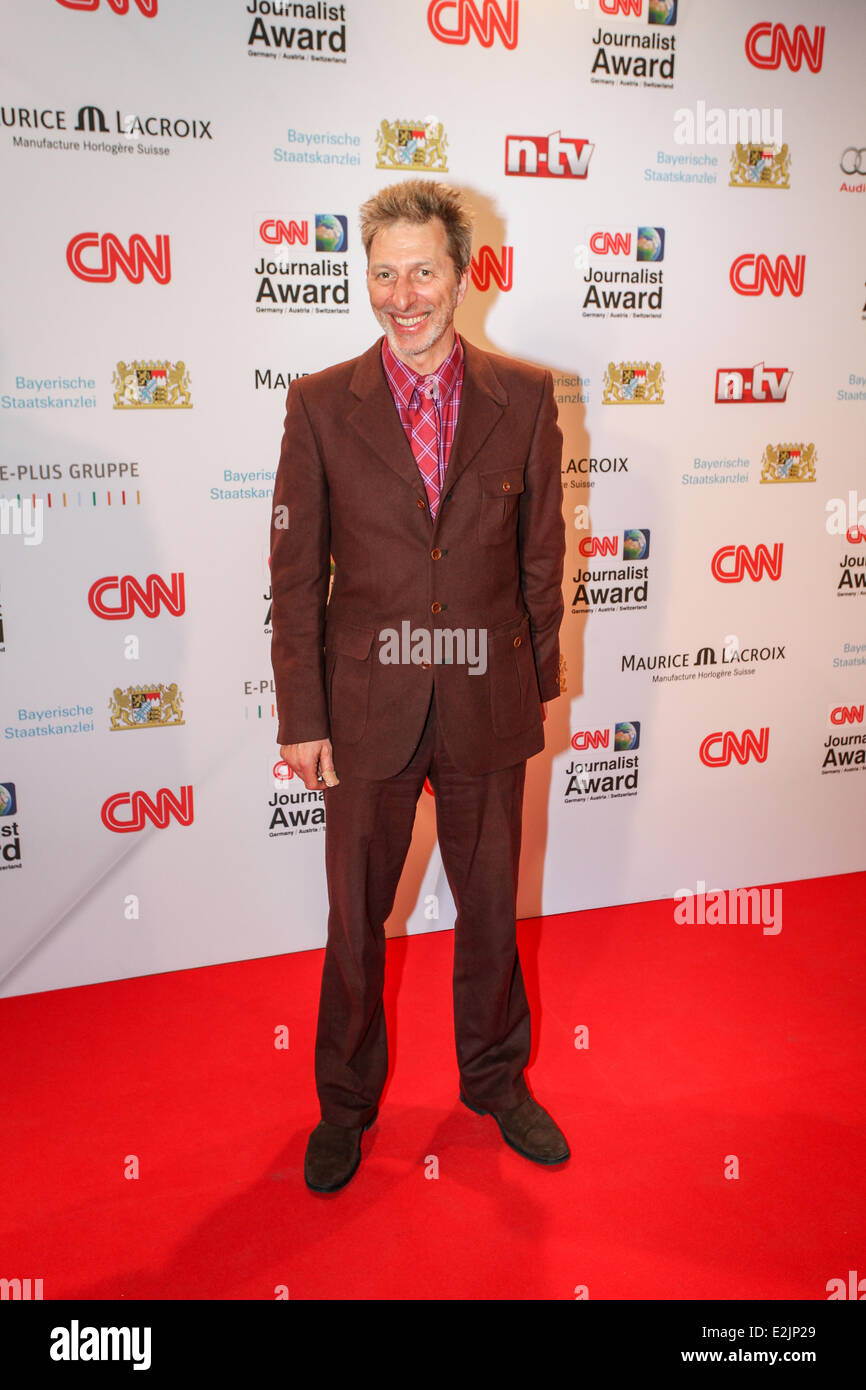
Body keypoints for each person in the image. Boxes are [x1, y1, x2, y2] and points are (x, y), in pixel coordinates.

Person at [269, 179, 567, 1193]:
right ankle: (344, 1106)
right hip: (364, 707)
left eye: (422, 270)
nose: (402, 294)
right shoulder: (317, 403)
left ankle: (494, 1079)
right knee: (355, 919)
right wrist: (302, 716)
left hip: (486, 698)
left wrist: (533, 689)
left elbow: (538, 561)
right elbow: (295, 574)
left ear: (462, 273)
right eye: (383, 272)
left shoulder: (524, 399)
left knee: (489, 909)